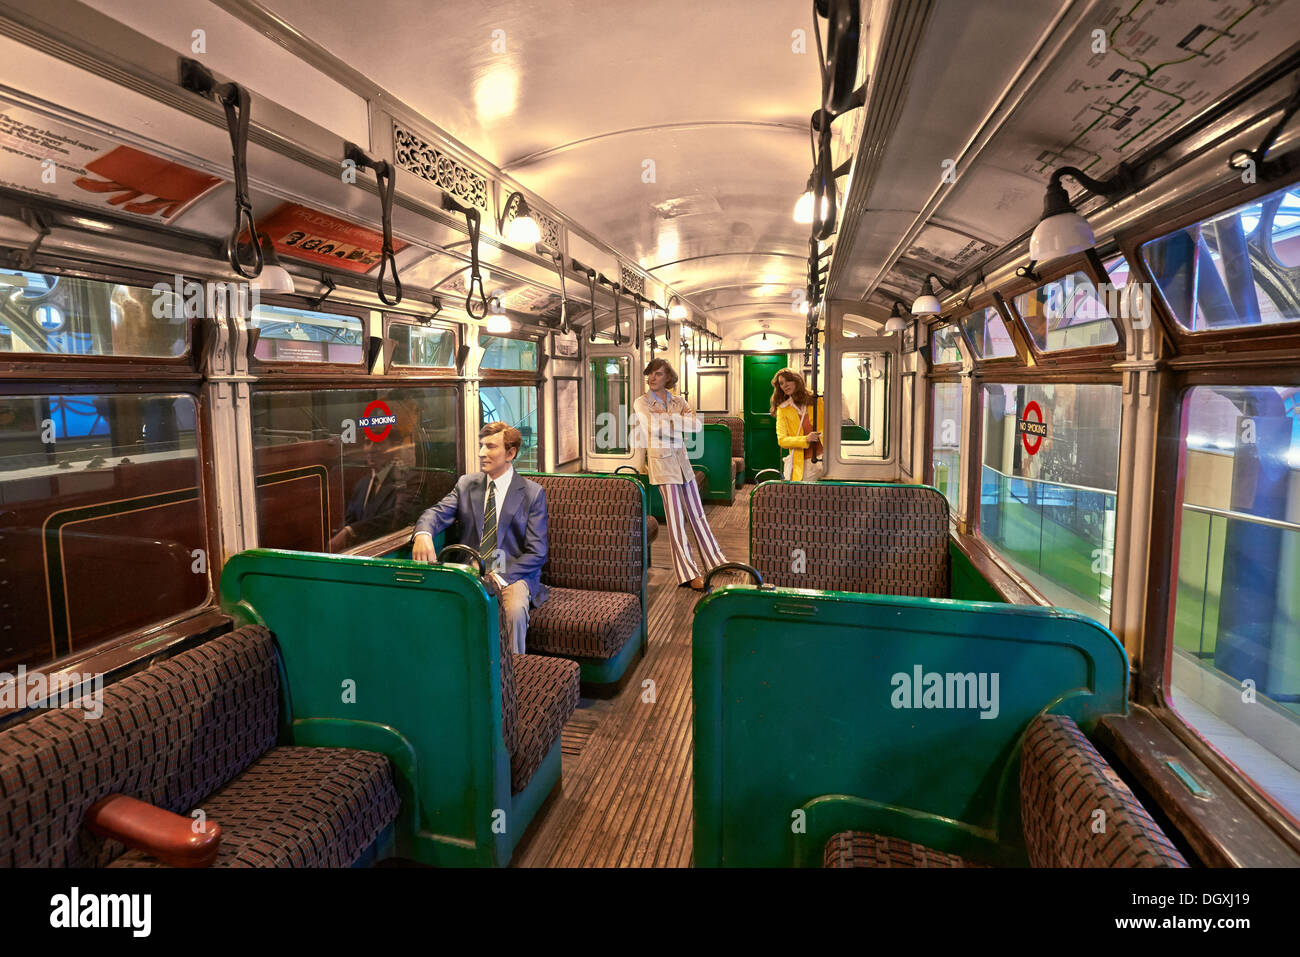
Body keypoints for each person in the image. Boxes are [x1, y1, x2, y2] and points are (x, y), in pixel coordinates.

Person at [411, 422, 548, 654]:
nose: (482, 453)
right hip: (470, 571)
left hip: (512, 574)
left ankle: (511, 678)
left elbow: (537, 552)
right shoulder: (467, 485)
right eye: (481, 445)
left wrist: (500, 577)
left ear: (510, 453)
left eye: (491, 447)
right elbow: (435, 513)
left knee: (514, 610)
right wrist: (423, 534)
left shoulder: (532, 493)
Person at [631, 358, 726, 591]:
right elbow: (653, 428)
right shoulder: (641, 402)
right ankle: (688, 573)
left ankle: (717, 561)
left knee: (698, 515)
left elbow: (696, 426)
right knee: (676, 521)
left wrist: (668, 421)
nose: (653, 378)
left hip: (683, 464)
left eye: (658, 374)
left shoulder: (678, 400)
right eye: (651, 374)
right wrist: (678, 420)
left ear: (668, 378)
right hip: (662, 467)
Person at [772, 368, 826, 482]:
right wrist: (806, 439)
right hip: (805, 464)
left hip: (827, 459)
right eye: (781, 383)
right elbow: (782, 440)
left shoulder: (816, 400)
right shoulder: (783, 409)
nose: (785, 385)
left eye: (788, 380)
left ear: (796, 381)